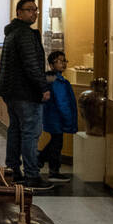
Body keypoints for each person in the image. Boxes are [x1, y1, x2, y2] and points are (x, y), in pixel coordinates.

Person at [0, 0, 52, 189]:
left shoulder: (13, 32)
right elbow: (31, 64)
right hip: (25, 92)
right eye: (29, 10)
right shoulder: (25, 33)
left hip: (12, 92)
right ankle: (32, 175)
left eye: (35, 10)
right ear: (19, 12)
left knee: (16, 131)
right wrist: (43, 87)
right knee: (30, 132)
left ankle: (13, 172)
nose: (34, 13)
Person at [39, 50, 77, 183]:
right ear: (51, 65)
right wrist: (68, 118)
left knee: (55, 142)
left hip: (53, 116)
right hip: (57, 118)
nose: (63, 64)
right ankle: (53, 170)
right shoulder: (58, 82)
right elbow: (62, 102)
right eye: (59, 61)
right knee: (56, 144)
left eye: (64, 60)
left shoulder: (53, 79)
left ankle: (41, 161)